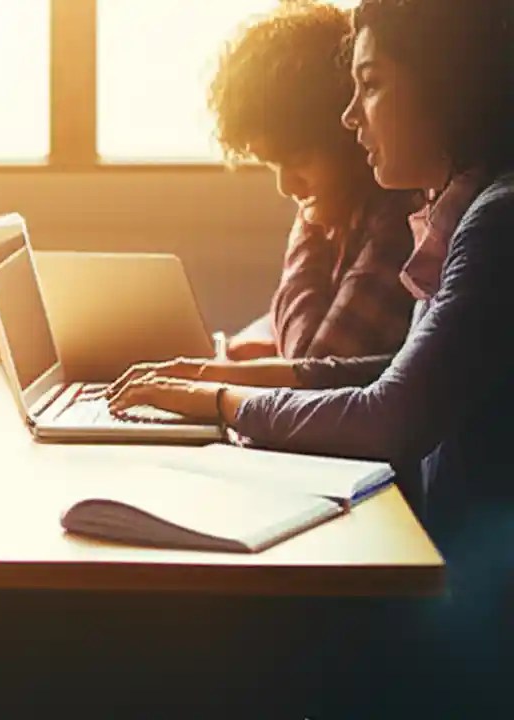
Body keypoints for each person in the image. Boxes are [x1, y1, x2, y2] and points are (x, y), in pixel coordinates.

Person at [107, 0, 514, 712]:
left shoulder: (497, 221)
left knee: (199, 646)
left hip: (478, 591)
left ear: (449, 83)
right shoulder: (466, 208)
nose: (351, 115)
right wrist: (223, 374)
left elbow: (390, 415)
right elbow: (399, 369)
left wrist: (221, 402)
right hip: (447, 558)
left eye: (372, 83)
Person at [211, 0, 416, 365]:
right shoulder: (345, 219)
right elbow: (286, 331)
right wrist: (257, 341)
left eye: (299, 161)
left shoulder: (400, 218)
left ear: (348, 135)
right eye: (273, 164)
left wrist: (307, 230)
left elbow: (312, 367)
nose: (286, 186)